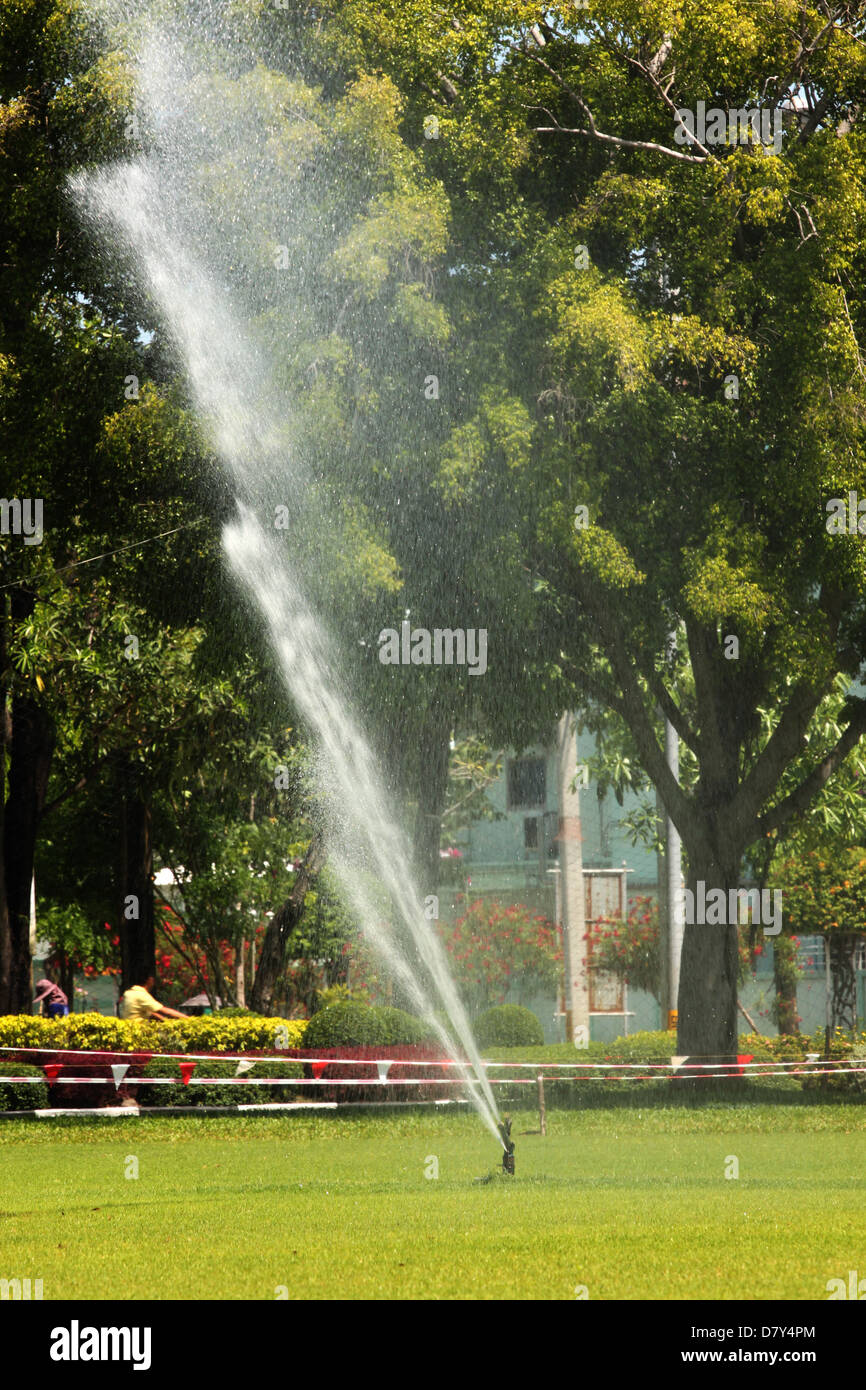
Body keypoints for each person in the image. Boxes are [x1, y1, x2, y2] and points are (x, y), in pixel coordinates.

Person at [120, 972, 190, 1022]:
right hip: (138, 1034)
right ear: (149, 980)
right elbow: (164, 1011)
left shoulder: (128, 993)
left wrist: (167, 1022)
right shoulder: (141, 995)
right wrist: (189, 1020)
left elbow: (152, 1014)